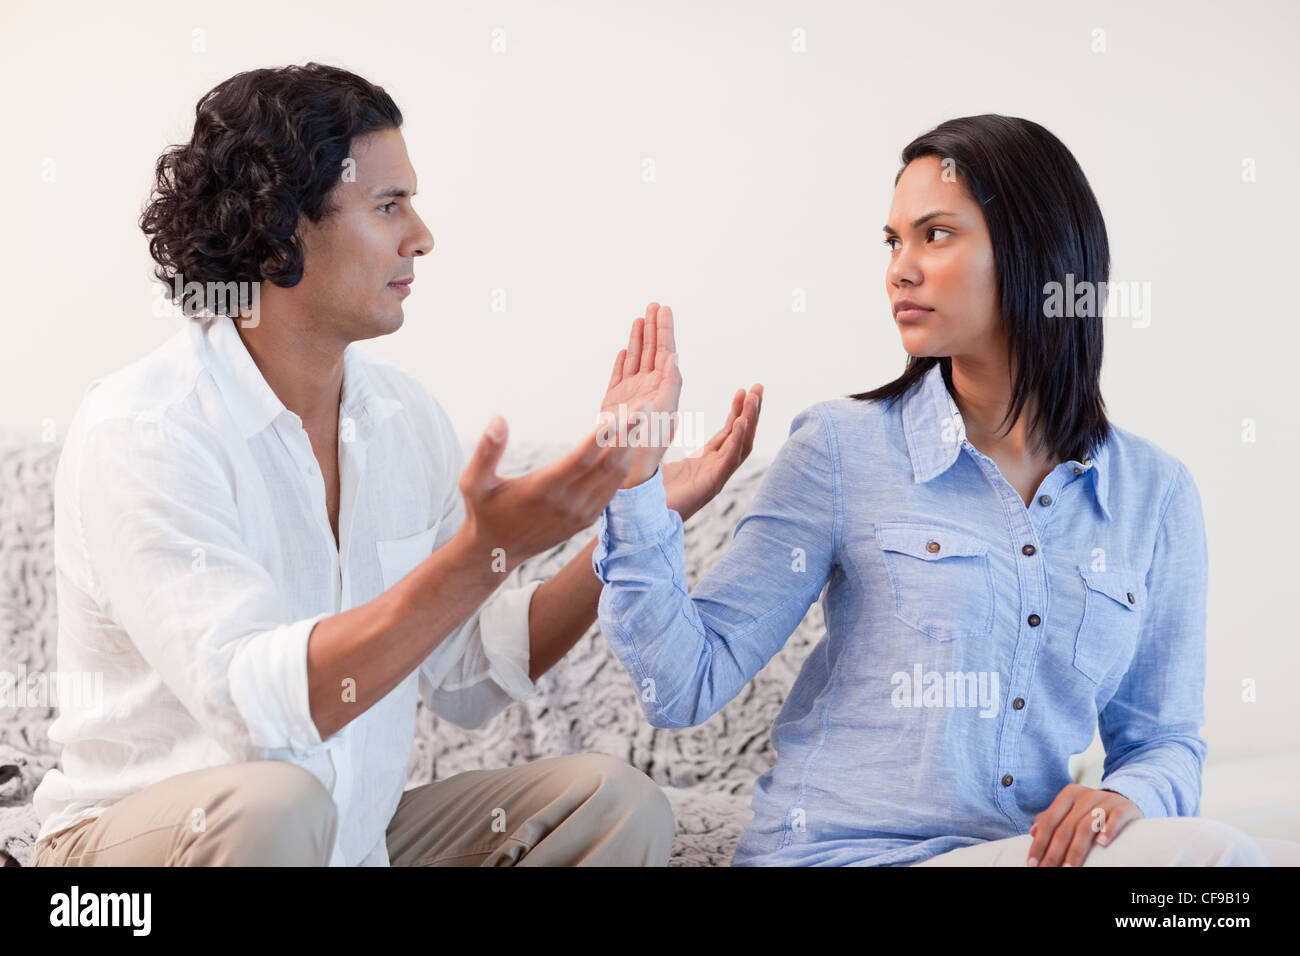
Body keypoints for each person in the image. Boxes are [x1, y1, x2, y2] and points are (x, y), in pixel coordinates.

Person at [28, 62, 761, 867]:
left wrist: (632, 519)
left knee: (609, 804)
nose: (422, 235)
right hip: (139, 855)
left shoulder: (404, 419)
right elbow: (255, 711)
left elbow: (470, 672)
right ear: (279, 227)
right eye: (388, 206)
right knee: (276, 806)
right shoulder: (147, 430)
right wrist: (485, 552)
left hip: (349, 843)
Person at [591, 114, 1275, 867]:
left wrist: (1127, 797)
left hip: (1019, 855)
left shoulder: (1156, 495)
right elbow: (682, 685)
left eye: (936, 235)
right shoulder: (840, 448)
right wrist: (635, 483)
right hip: (847, 856)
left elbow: (1164, 740)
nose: (900, 270)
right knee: (1215, 860)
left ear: (1037, 251)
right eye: (893, 242)